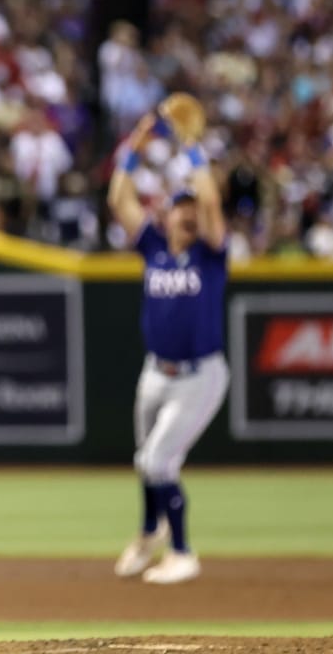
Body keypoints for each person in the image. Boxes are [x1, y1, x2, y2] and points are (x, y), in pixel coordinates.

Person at [104, 111, 230, 585]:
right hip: (156, 371)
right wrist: (136, 144)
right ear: (168, 213)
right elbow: (119, 197)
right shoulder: (154, 245)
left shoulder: (211, 253)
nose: (190, 211)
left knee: (157, 461)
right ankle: (148, 531)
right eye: (182, 205)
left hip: (201, 376)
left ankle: (182, 552)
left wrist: (192, 147)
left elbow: (213, 201)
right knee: (146, 460)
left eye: (193, 206)